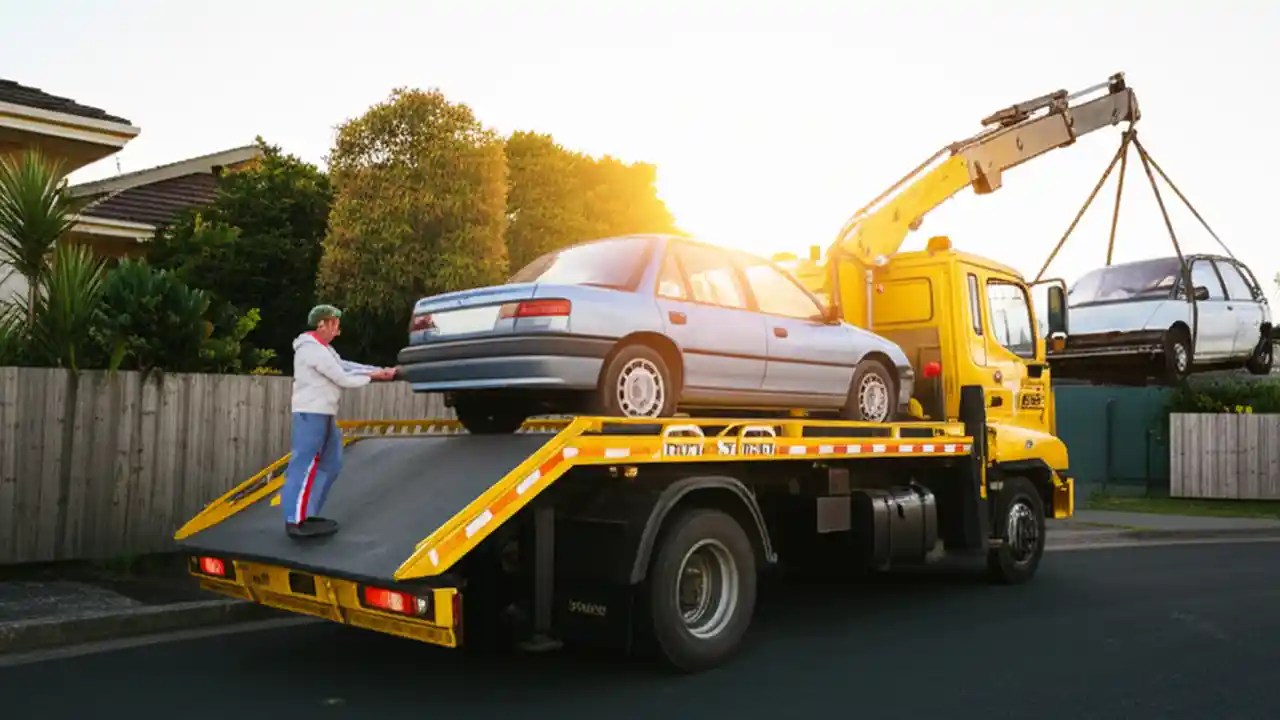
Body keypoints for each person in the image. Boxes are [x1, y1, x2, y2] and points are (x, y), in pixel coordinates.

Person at [281, 304, 398, 538]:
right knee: (304, 466)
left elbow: (346, 366)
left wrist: (379, 371)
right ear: (321, 324)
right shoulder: (309, 349)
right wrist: (374, 377)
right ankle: (294, 521)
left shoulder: (325, 349)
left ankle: (308, 513)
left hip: (325, 413)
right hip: (310, 413)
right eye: (334, 324)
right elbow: (342, 378)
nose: (337, 330)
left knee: (331, 463)